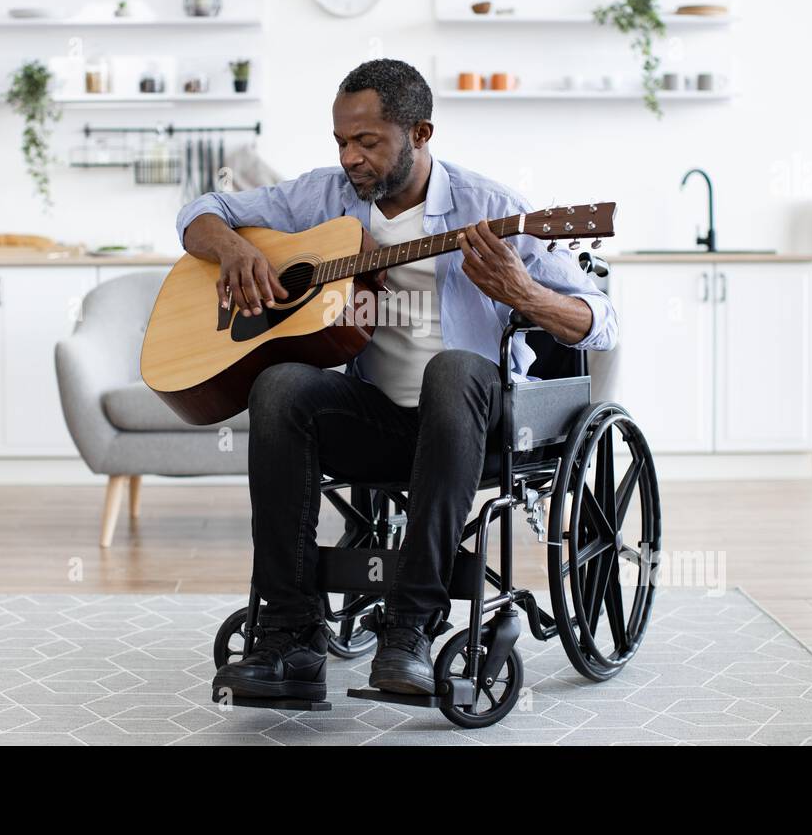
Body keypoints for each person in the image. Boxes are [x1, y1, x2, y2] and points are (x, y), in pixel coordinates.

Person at [176, 59, 618, 701]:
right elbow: (203, 210)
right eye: (341, 142)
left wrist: (527, 295)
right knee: (280, 385)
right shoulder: (325, 198)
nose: (350, 158)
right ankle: (291, 634)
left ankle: (411, 625)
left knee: (454, 368)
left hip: (476, 422)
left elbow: (600, 320)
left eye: (367, 142)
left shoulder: (493, 209)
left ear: (421, 132)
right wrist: (235, 249)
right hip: (380, 420)